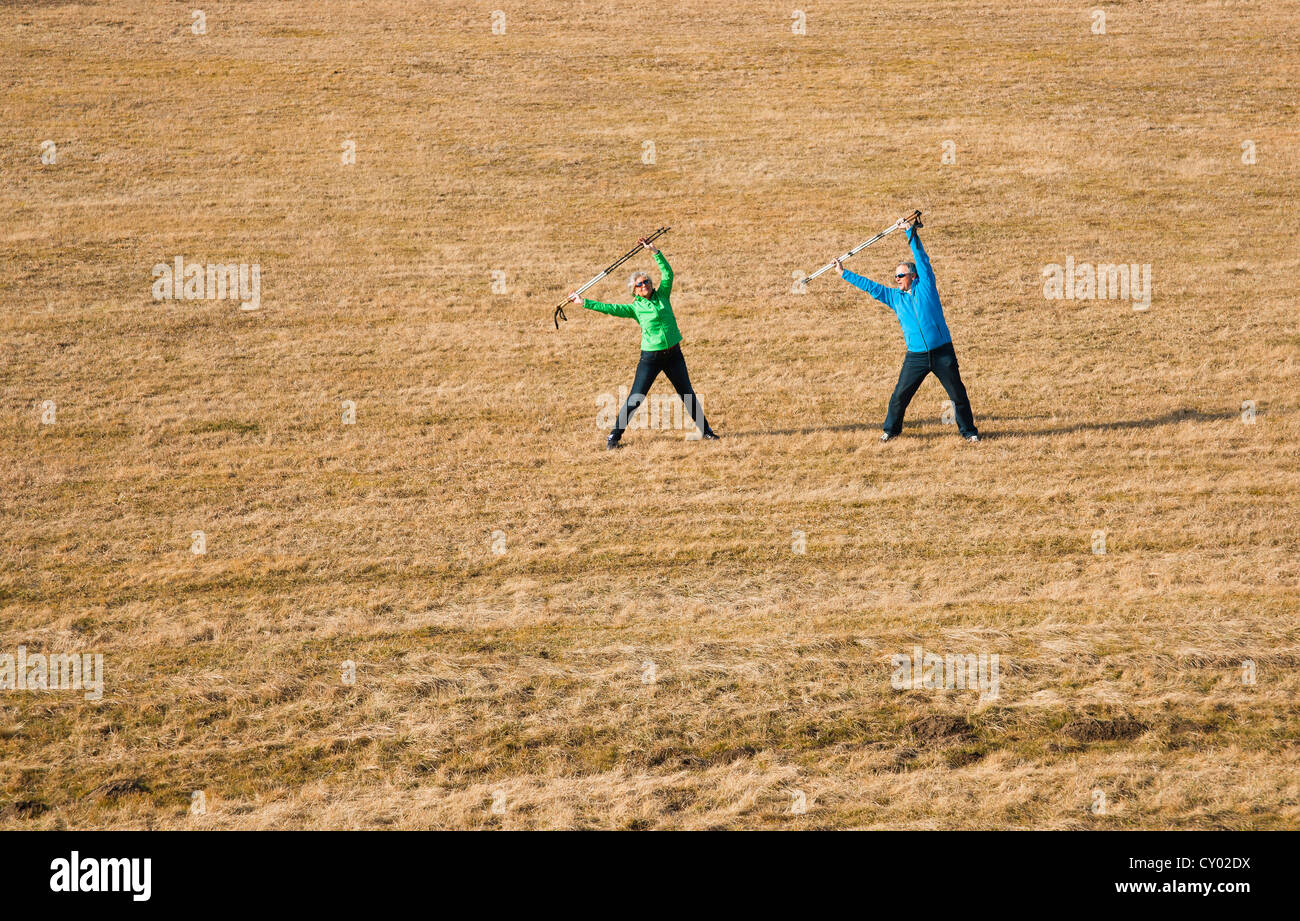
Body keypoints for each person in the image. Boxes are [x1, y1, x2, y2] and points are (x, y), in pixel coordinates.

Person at [834, 216, 980, 442]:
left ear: (913, 276)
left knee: (957, 395)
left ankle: (969, 433)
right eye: (895, 276)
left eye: (901, 275)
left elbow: (922, 259)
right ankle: (890, 431)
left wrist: (909, 232)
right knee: (900, 396)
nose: (897, 279)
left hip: (942, 352)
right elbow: (870, 286)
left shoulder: (927, 287)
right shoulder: (894, 297)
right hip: (916, 357)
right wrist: (844, 273)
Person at [569, 238, 719, 449]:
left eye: (647, 281)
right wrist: (583, 302)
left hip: (674, 354)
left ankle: (707, 432)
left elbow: (668, 274)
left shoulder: (663, 295)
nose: (644, 285)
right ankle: (614, 437)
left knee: (687, 393)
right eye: (639, 284)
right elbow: (610, 308)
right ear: (635, 291)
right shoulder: (635, 308)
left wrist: (654, 251)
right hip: (651, 357)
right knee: (636, 397)